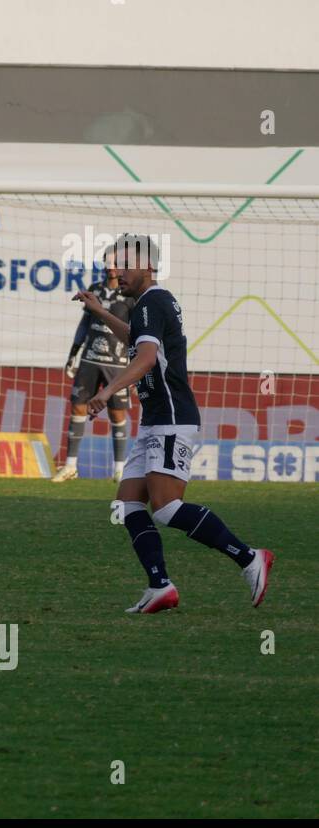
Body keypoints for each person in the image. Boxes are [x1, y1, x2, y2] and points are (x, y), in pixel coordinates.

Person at [75, 234, 274, 613]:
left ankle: (250, 558)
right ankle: (160, 586)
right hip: (155, 421)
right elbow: (137, 342)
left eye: (122, 264)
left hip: (170, 418)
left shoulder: (153, 301)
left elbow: (146, 359)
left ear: (146, 265)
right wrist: (100, 311)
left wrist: (107, 391)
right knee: (129, 505)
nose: (115, 271)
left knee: (166, 508)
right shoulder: (149, 305)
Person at [54, 242, 134, 482]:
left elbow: (135, 333)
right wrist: (73, 354)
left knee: (117, 414)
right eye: (108, 262)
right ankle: (70, 466)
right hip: (89, 359)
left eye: (116, 263)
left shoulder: (129, 296)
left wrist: (135, 368)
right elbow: (83, 326)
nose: (111, 267)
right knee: (78, 406)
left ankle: (120, 470)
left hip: (117, 363)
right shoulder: (94, 290)